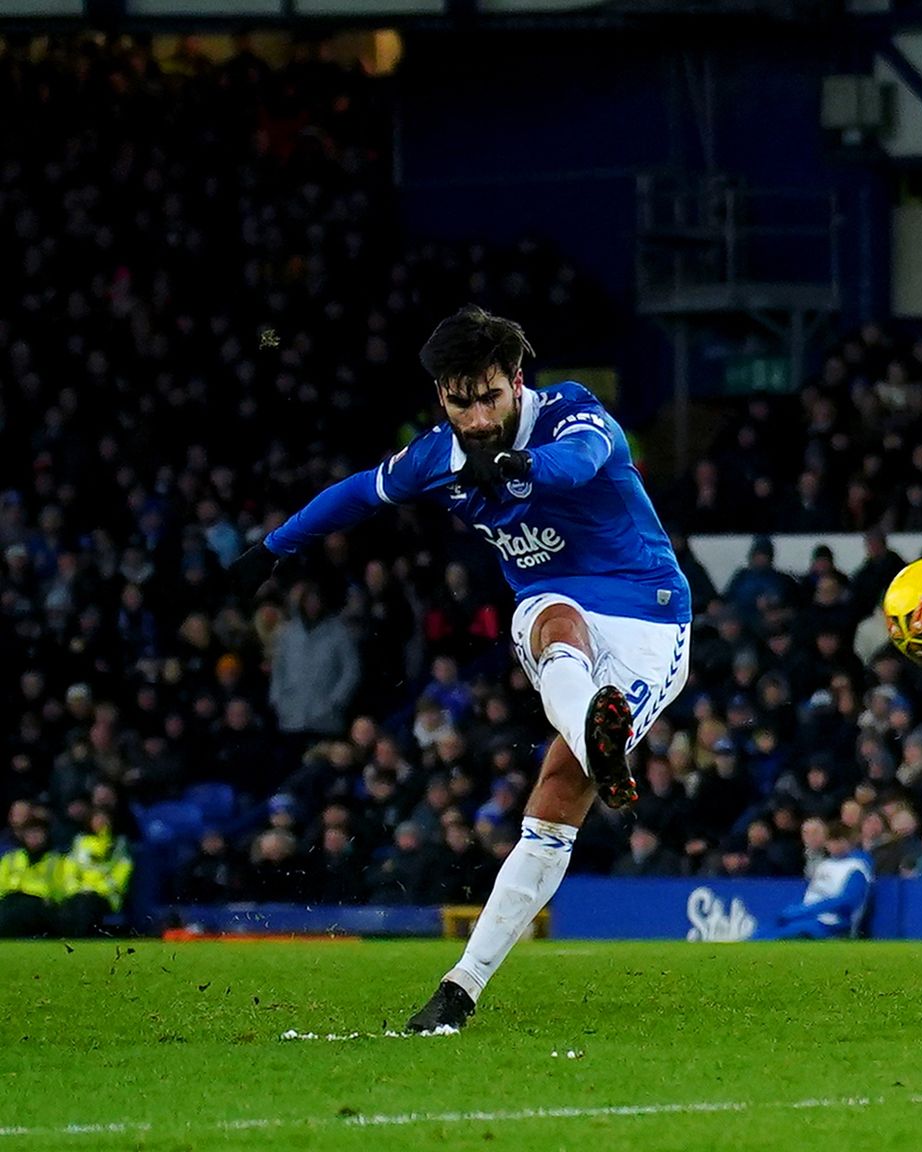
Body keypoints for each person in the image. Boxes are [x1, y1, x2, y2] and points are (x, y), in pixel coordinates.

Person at [228, 305, 693, 1031]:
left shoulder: (572, 412)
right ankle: (459, 990)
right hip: (557, 609)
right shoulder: (436, 456)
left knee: (557, 796)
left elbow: (580, 462)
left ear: (516, 381)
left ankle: (593, 741)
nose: (476, 417)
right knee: (547, 617)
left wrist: (520, 466)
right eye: (459, 401)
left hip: (649, 618)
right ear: (440, 396)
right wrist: (273, 549)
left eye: (489, 397)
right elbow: (358, 493)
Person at [755, 824, 874, 940]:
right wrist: (797, 910)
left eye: (839, 841)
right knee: (766, 930)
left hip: (832, 922)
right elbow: (810, 894)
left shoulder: (856, 867)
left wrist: (807, 910)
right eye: (831, 841)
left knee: (787, 933)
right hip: (809, 916)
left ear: (849, 842)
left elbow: (847, 901)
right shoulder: (824, 865)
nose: (834, 845)